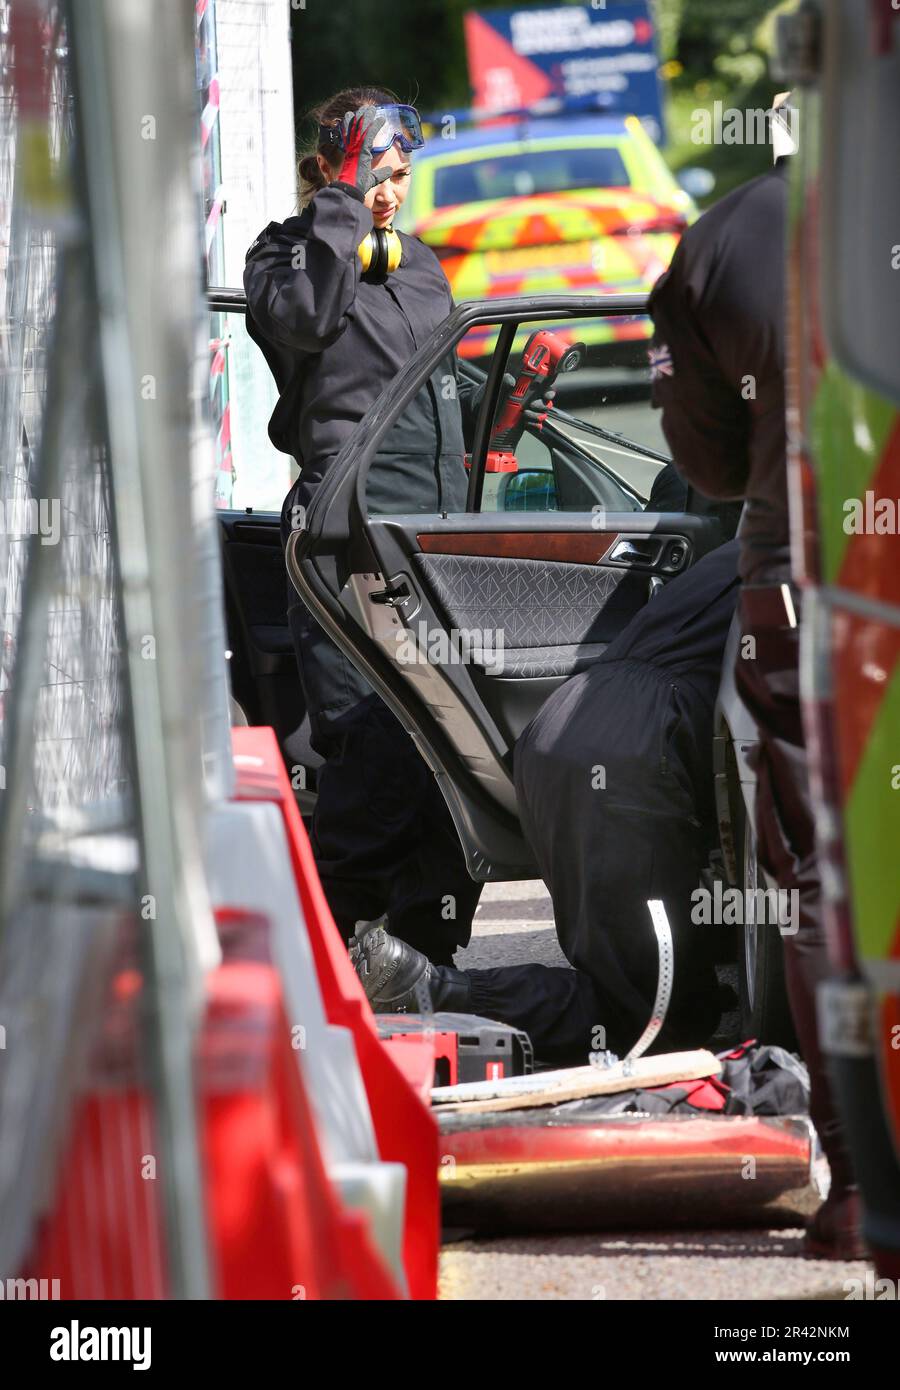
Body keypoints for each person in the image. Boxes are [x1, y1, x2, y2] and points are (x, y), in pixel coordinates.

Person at [644, 95, 863, 1260]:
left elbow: (708, 460)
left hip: (803, 598)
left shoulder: (727, 238)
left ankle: (865, 1193)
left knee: (828, 886)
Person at [243, 89, 485, 963]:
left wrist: (506, 399)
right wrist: (339, 210)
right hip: (346, 541)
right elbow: (306, 320)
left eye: (399, 176)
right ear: (338, 172)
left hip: (431, 540)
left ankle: (430, 960)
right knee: (370, 753)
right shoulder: (284, 255)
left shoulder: (419, 264)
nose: (391, 192)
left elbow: (432, 386)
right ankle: (327, 954)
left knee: (446, 759)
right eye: (375, 175)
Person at [352, 540, 742, 1064]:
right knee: (652, 1020)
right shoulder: (819, 549)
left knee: (662, 986)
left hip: (564, 731)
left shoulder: (757, 540)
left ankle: (422, 992)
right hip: (631, 753)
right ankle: (427, 992)